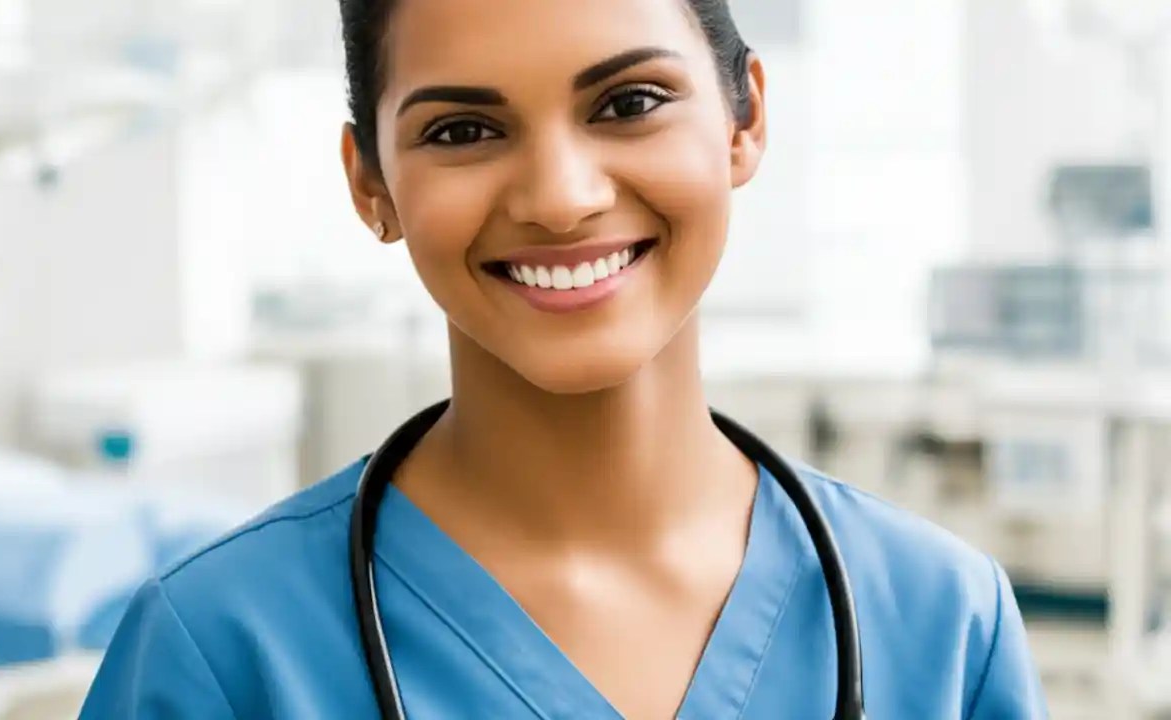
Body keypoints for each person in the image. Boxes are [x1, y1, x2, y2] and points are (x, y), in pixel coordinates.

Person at [78, 0, 1048, 717]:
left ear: (742, 119)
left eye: (628, 102)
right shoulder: (221, 654)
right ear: (369, 183)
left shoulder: (939, 626)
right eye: (462, 130)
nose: (559, 196)